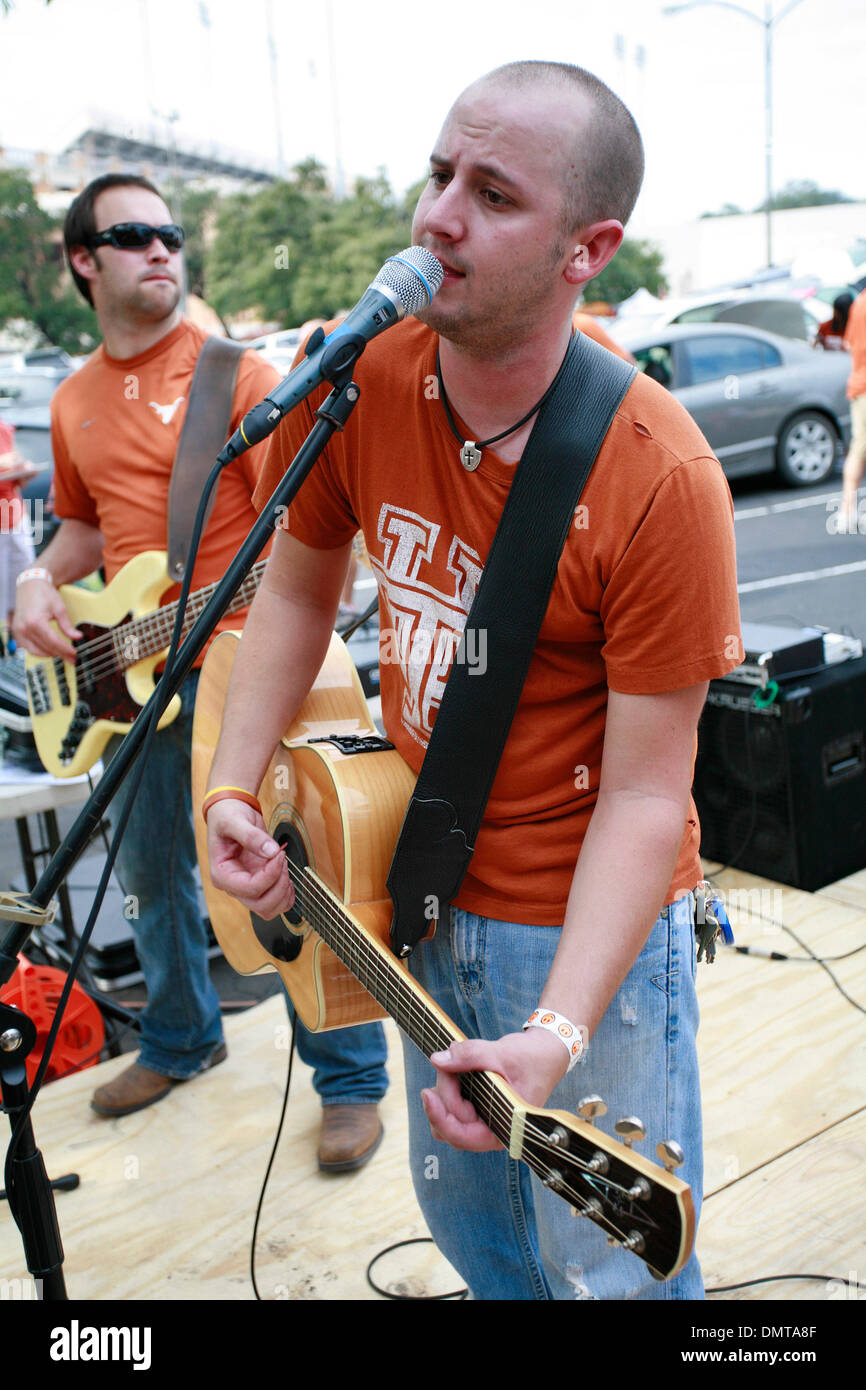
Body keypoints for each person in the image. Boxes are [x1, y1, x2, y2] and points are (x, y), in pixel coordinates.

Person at [204, 61, 743, 1299]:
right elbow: (294, 587)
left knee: (609, 1268)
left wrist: (555, 1030)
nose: (436, 215)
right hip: (412, 880)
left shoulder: (657, 475)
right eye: (438, 173)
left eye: (491, 193)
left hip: (578, 921)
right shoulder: (368, 377)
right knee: (477, 1237)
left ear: (583, 249)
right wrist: (234, 783)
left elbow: (648, 797)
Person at [13, 174, 387, 1170]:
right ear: (83, 262)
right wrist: (38, 583)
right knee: (149, 872)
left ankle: (349, 1079)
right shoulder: (74, 397)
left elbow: (311, 536)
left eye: (170, 233)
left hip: (239, 653)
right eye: (133, 235)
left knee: (289, 867)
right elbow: (86, 526)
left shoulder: (239, 378)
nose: (161, 250)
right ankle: (181, 1035)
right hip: (124, 669)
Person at [0, 419, 39, 644]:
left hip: (15, 519)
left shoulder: (4, 427)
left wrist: (24, 471)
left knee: (20, 588)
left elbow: (15, 476)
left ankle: (19, 646)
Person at [842, 287, 866, 530]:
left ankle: (847, 509)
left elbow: (849, 344)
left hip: (859, 384)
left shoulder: (859, 302)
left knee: (858, 447)